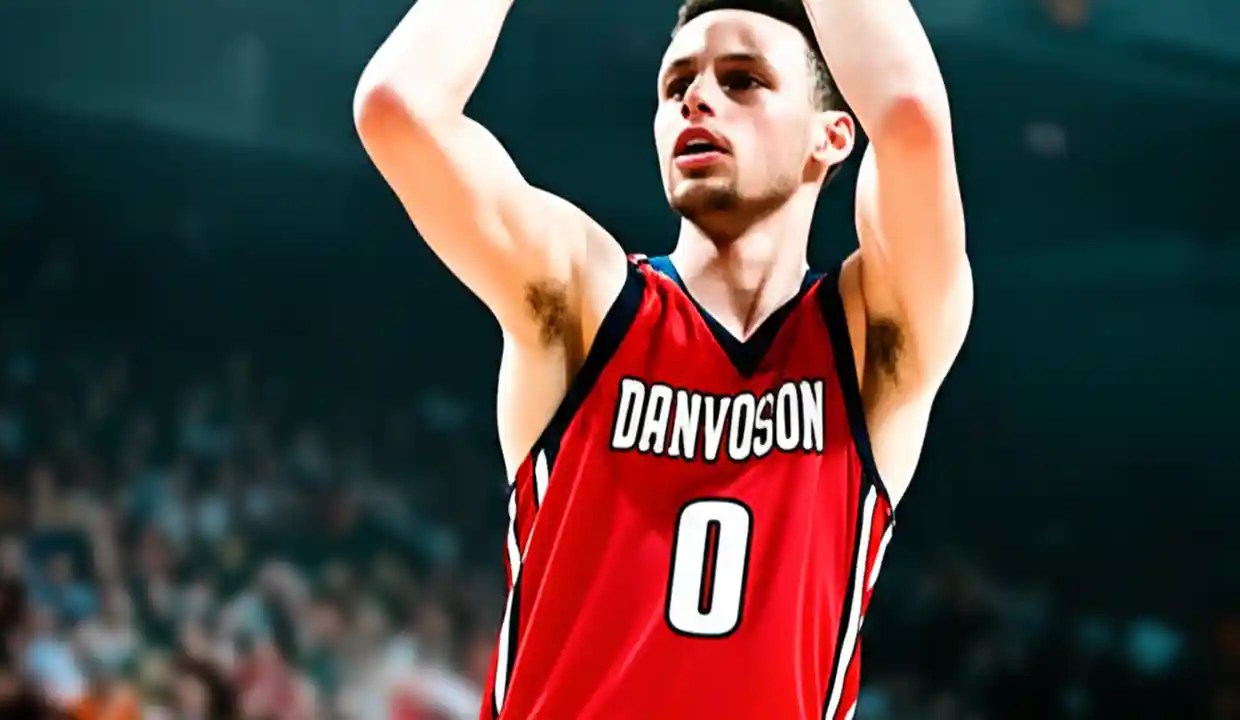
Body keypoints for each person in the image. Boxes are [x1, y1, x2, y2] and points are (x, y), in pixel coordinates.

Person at [353, 0, 972, 715]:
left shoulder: (868, 335)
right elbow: (400, 108)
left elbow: (911, 120)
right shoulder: (587, 301)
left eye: (743, 80)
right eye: (676, 85)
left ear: (831, 136)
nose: (697, 99)